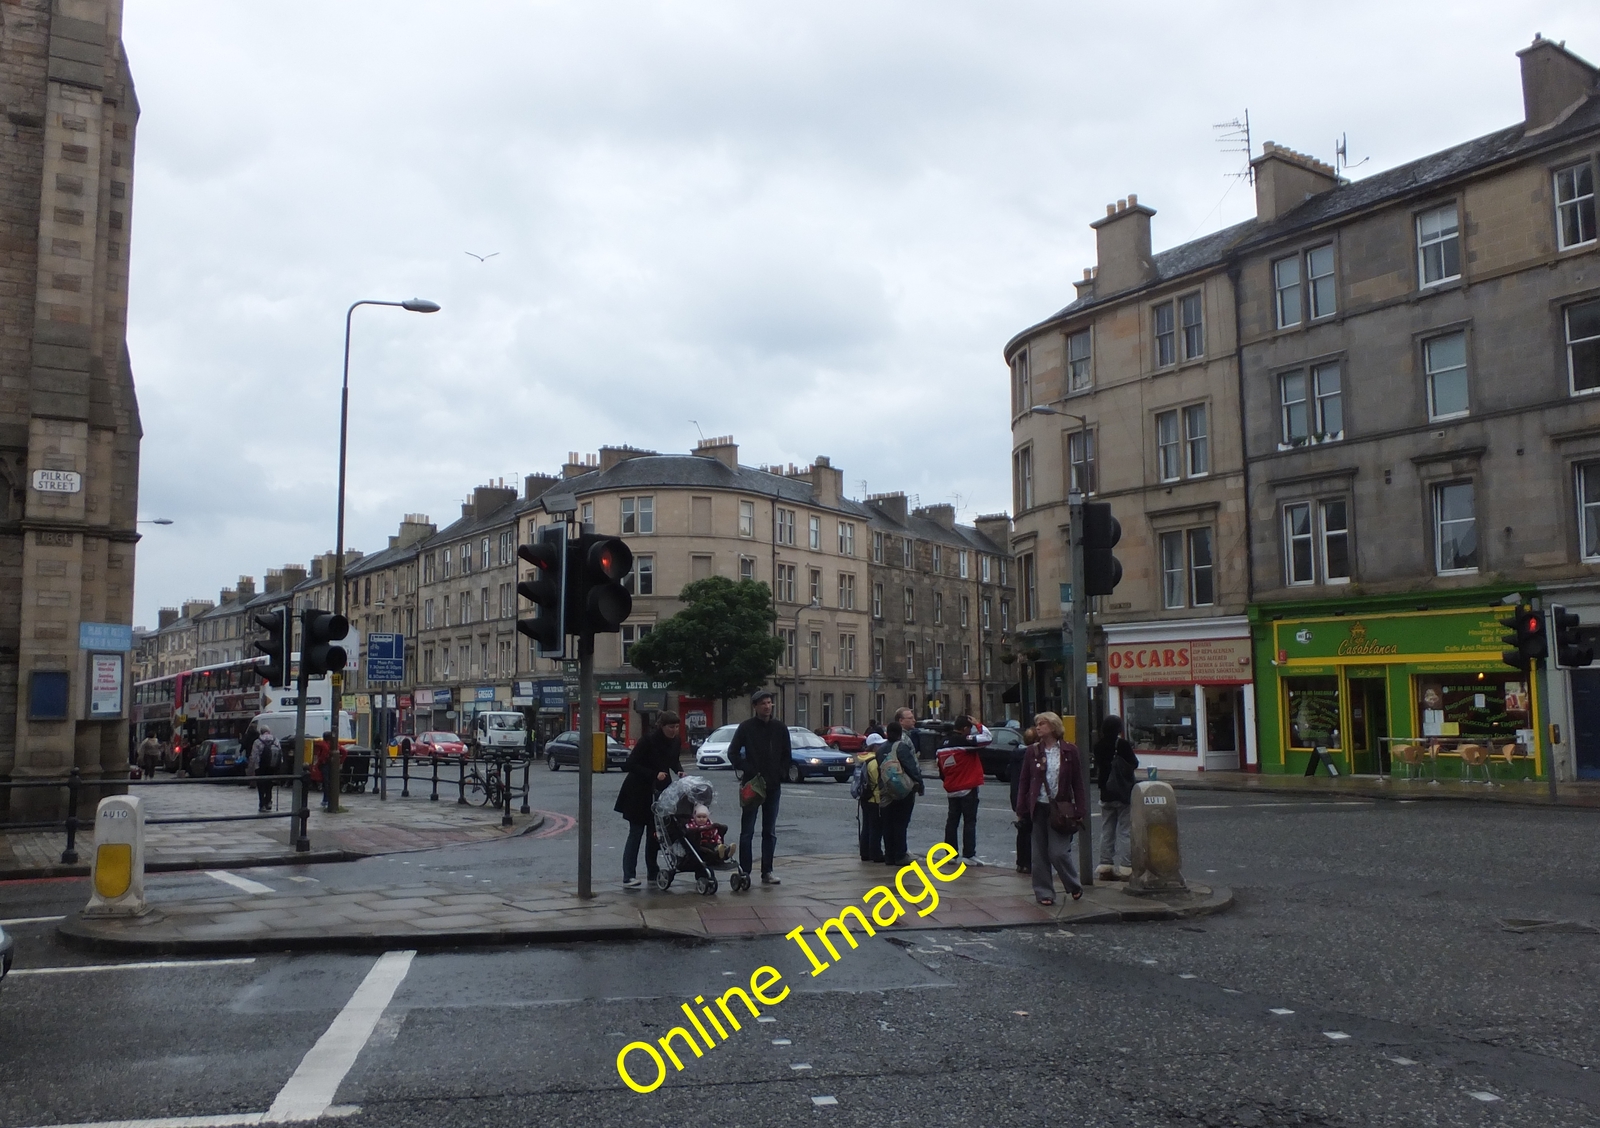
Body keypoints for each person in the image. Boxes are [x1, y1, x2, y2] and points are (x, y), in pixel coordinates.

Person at [1013, 711, 1088, 906]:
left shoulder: (1070, 751)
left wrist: (1080, 810)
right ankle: (1044, 892)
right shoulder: (1032, 751)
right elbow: (1024, 781)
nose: (1038, 727)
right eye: (1037, 724)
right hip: (1038, 808)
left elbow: (1077, 783)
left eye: (1043, 724)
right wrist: (1021, 808)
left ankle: (1073, 885)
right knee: (1039, 855)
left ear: (1054, 727)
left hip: (1061, 809)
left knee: (1058, 852)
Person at [614, 712, 685, 888]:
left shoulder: (675, 741)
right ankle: (628, 876)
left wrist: (679, 770)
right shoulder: (648, 740)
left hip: (660, 792)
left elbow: (673, 761)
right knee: (636, 833)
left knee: (656, 834)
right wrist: (654, 774)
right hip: (638, 792)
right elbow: (630, 764)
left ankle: (652, 872)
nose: (674, 730)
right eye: (671, 727)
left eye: (677, 727)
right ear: (662, 726)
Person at [728, 689, 790, 884]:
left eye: (769, 703)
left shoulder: (779, 728)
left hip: (773, 785)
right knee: (747, 831)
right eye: (763, 703)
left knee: (769, 831)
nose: (767, 706)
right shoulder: (746, 727)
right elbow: (733, 753)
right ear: (755, 706)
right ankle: (745, 870)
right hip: (752, 784)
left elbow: (787, 754)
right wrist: (749, 769)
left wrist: (781, 772)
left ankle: (767, 871)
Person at [935, 715, 987, 865]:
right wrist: (978, 724)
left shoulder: (941, 744)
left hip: (952, 788)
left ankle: (950, 854)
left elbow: (941, 768)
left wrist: (948, 781)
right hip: (967, 786)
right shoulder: (964, 741)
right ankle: (968, 855)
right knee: (969, 821)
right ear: (965, 729)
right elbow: (987, 738)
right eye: (969, 729)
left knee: (952, 821)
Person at [1093, 715, 1139, 881]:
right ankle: (1126, 867)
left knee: (1107, 830)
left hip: (1105, 791)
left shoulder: (1098, 746)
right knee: (1125, 831)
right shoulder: (1122, 745)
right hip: (1123, 792)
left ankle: (1105, 865)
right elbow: (1134, 763)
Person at [880, 708, 926, 865]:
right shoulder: (902, 746)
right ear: (899, 732)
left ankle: (889, 856)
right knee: (900, 824)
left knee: (887, 825)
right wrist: (919, 784)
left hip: (885, 791)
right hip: (903, 791)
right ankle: (900, 855)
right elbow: (911, 767)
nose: (914, 720)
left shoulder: (880, 749)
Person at [852, 732, 888, 862]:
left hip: (864, 797)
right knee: (876, 828)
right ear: (874, 747)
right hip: (875, 798)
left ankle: (865, 853)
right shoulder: (874, 761)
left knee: (866, 826)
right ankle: (876, 854)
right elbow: (878, 781)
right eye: (879, 745)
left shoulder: (863, 759)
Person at [1008, 726, 1035, 873]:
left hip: (1016, 796)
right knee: (1031, 830)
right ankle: (1029, 863)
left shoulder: (1016, 754)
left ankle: (1021, 862)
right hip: (1027, 797)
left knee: (1022, 830)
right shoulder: (1030, 755)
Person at [249, 727, 280, 812]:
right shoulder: (275, 740)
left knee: (261, 786)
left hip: (260, 767)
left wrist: (252, 767)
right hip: (272, 766)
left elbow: (254, 756)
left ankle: (262, 804)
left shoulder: (257, 741)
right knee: (269, 785)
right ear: (269, 731)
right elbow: (279, 753)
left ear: (261, 732)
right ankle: (269, 801)